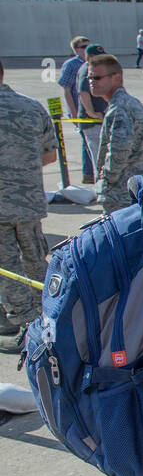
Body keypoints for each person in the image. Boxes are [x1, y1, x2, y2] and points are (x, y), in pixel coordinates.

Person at [0, 59, 57, 353]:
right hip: (29, 202)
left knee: (6, 268)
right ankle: (51, 316)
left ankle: (24, 328)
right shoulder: (32, 107)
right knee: (36, 262)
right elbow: (49, 156)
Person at [88, 53, 143, 213]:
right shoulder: (126, 104)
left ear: (115, 78)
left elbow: (120, 149)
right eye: (89, 78)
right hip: (130, 191)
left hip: (120, 194)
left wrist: (106, 177)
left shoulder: (120, 108)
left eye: (97, 78)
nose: (91, 82)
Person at [57, 36, 93, 183]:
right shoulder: (71, 65)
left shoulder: (92, 62)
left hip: (92, 108)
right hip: (80, 110)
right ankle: (88, 173)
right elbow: (66, 89)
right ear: (76, 49)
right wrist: (73, 113)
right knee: (87, 141)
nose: (86, 49)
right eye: (83, 47)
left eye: (88, 46)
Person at [75, 43, 108, 185]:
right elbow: (83, 93)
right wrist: (92, 113)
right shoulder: (86, 69)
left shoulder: (94, 68)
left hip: (98, 121)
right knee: (99, 160)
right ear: (89, 57)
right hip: (92, 123)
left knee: (103, 158)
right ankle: (102, 188)